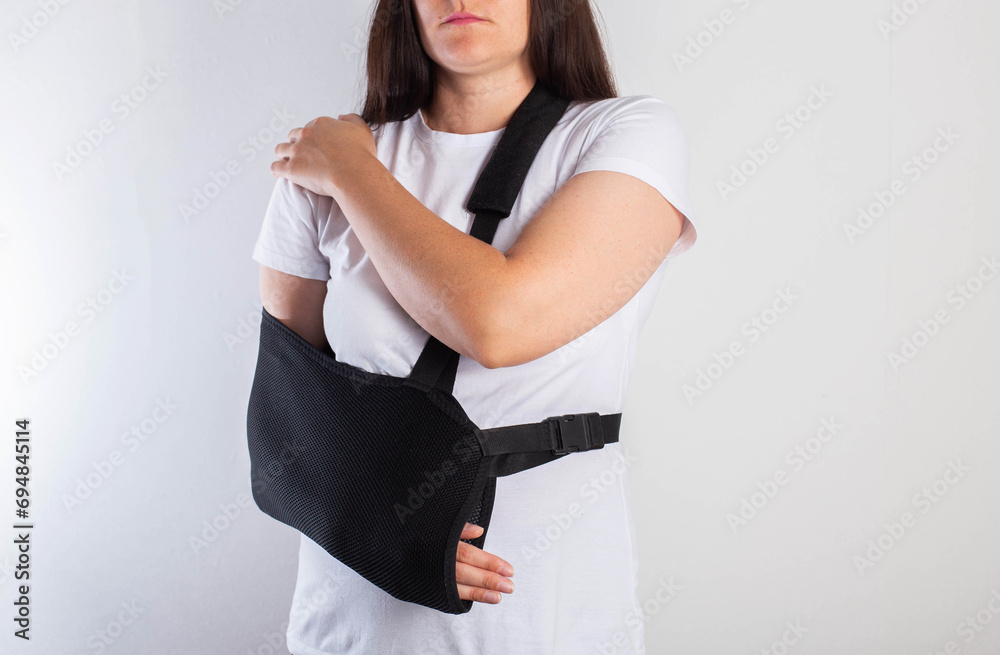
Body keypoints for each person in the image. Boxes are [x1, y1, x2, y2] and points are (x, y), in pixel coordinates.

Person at [251, 0, 698, 652]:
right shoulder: (317, 165)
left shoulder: (627, 134)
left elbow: (500, 323)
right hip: (353, 625)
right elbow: (282, 424)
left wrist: (354, 171)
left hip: (550, 617)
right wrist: (384, 533)